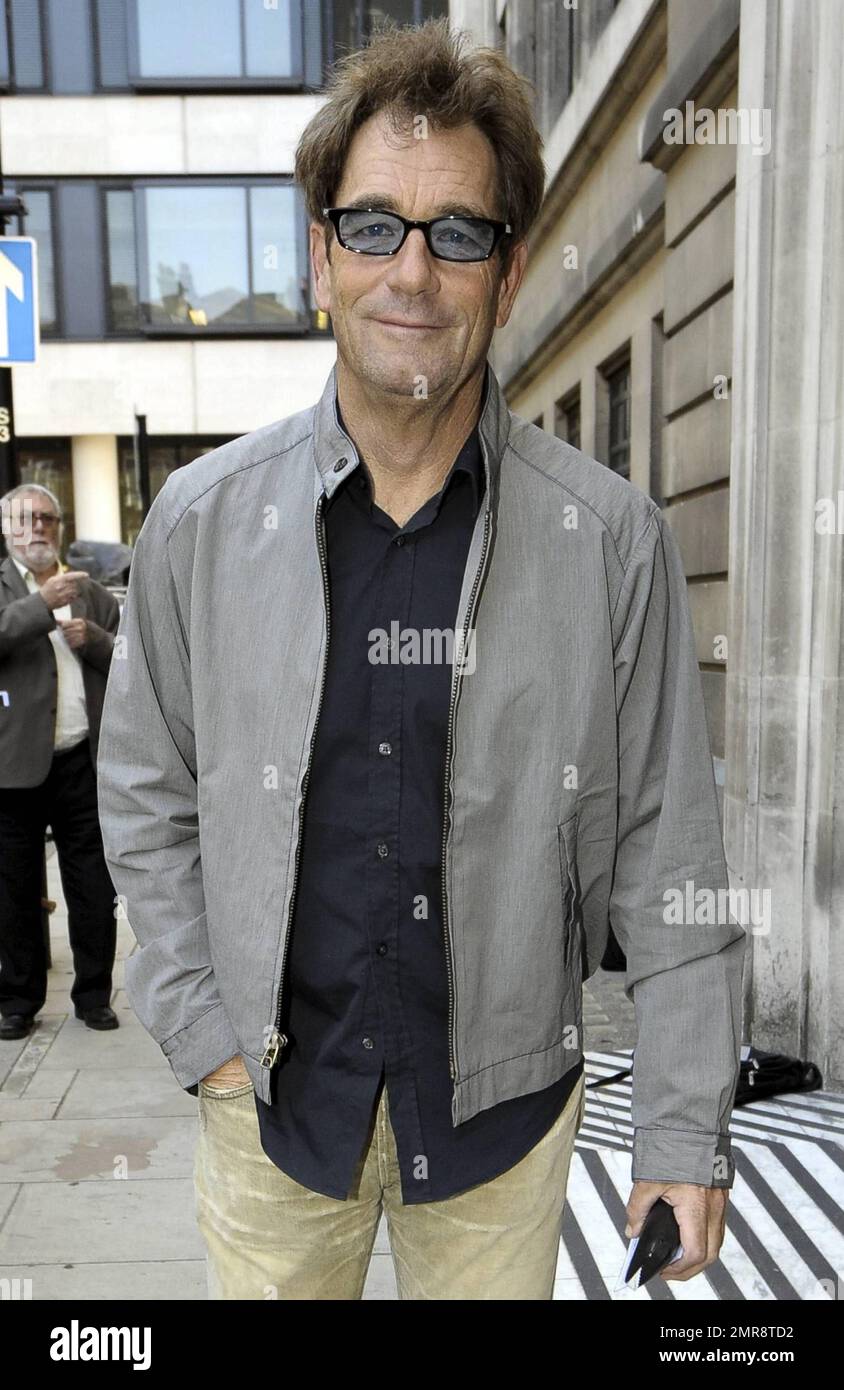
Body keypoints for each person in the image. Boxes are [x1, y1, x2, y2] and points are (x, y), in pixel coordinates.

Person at [96, 17, 747, 1300]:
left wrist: (682, 1128)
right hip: (274, 1119)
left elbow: (674, 846)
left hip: (503, 1135)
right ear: (320, 258)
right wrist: (204, 1032)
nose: (413, 270)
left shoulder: (609, 541)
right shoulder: (201, 523)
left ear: (505, 277)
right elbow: (145, 795)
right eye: (374, 225)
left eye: (458, 231)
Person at [0, 483, 120, 1039]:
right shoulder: (6, 588)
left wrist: (94, 637)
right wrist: (39, 608)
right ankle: (19, 1002)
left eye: (47, 518)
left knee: (93, 886)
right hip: (13, 768)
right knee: (16, 891)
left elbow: (134, 658)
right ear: (8, 530)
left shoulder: (90, 591)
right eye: (25, 520)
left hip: (83, 761)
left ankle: (93, 996)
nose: (38, 529)